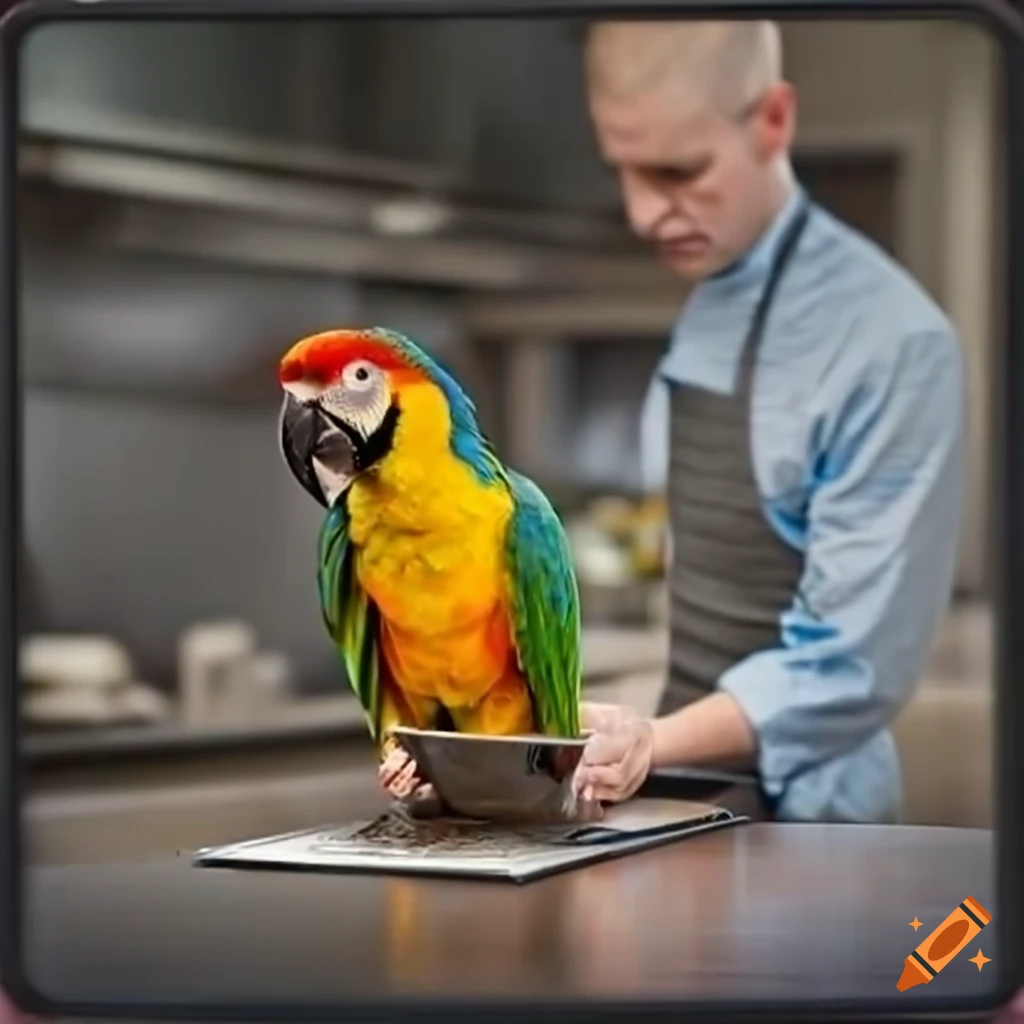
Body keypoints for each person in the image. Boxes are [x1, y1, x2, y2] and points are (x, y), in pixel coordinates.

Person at [572, 20, 965, 822]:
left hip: (812, 820)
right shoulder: (713, 290)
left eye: (678, 170)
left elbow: (853, 667)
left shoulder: (893, 341)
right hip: (685, 793)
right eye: (625, 172)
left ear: (773, 121)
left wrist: (655, 739)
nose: (646, 213)